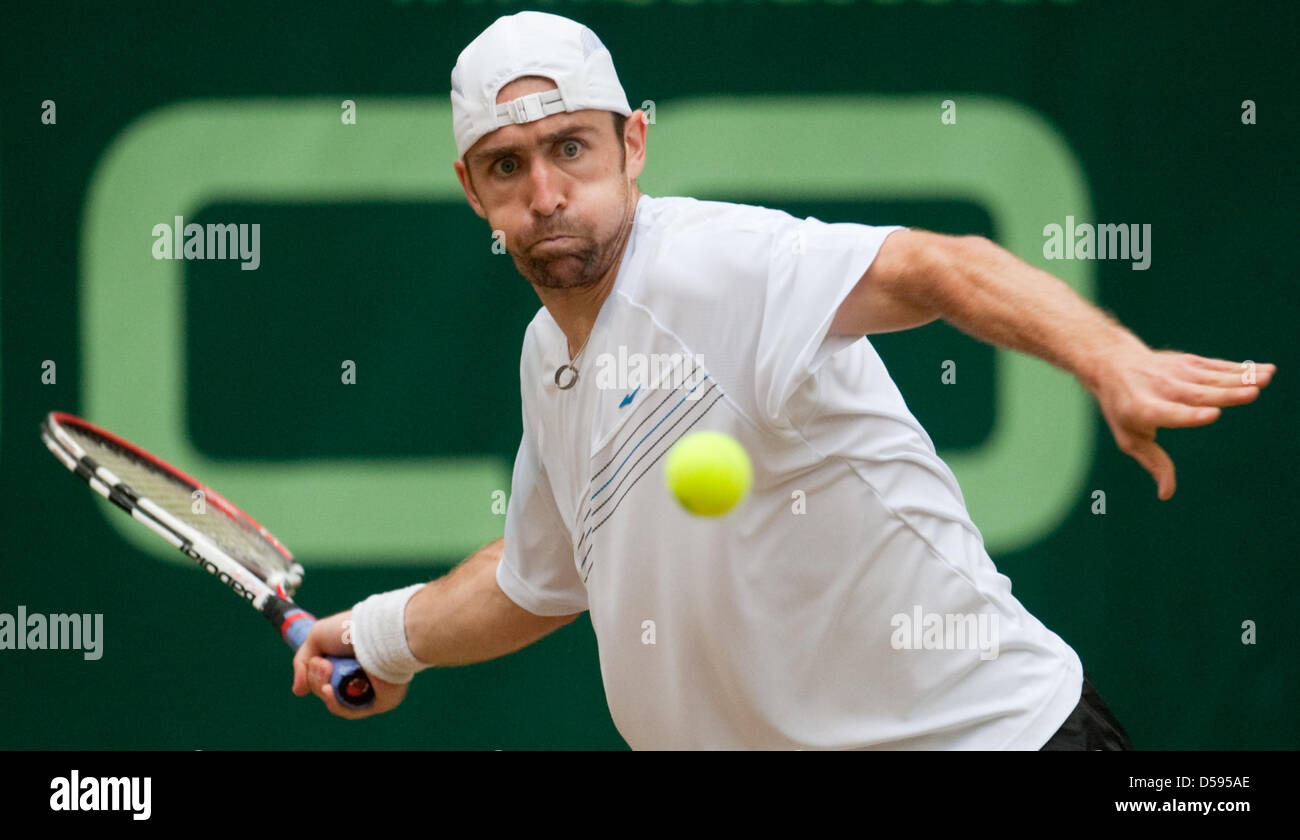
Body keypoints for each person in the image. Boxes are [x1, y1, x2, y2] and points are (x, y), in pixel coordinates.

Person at [291, 11, 1274, 749]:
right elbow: (536, 584)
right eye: (506, 165)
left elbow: (938, 266)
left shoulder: (713, 266)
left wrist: (1111, 361)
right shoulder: (547, 358)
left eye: (571, 148)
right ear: (474, 191)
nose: (546, 193)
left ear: (633, 145)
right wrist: (381, 638)